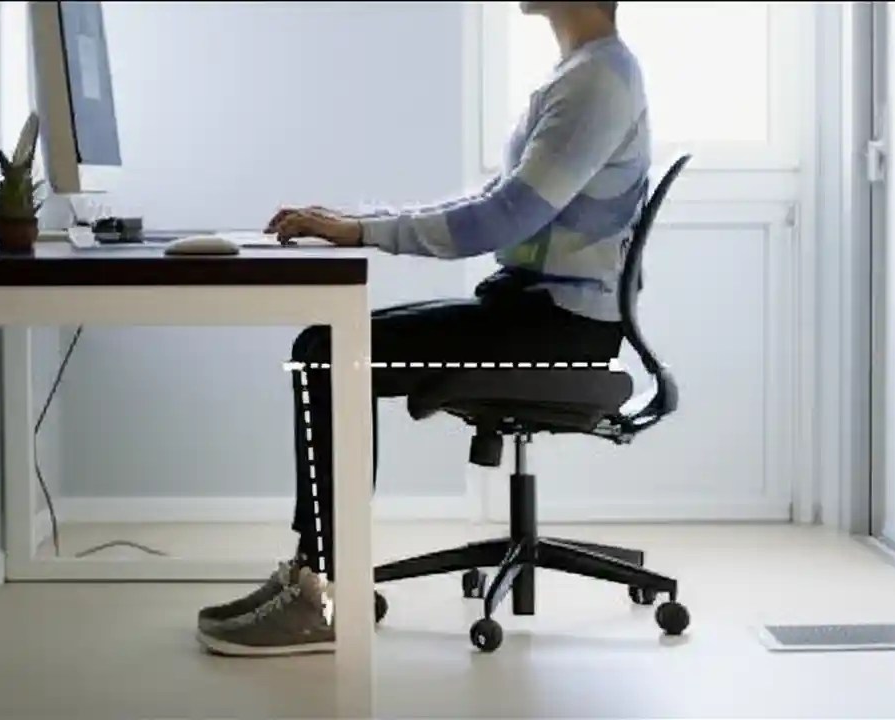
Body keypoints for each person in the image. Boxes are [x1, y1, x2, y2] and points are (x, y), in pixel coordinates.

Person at [196, 0, 649, 657]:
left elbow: (500, 219)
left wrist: (362, 231)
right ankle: (321, 577)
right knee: (325, 348)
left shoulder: (597, 81)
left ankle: (324, 590)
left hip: (559, 330)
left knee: (327, 356)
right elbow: (493, 200)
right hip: (538, 313)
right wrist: (362, 224)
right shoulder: (583, 72)